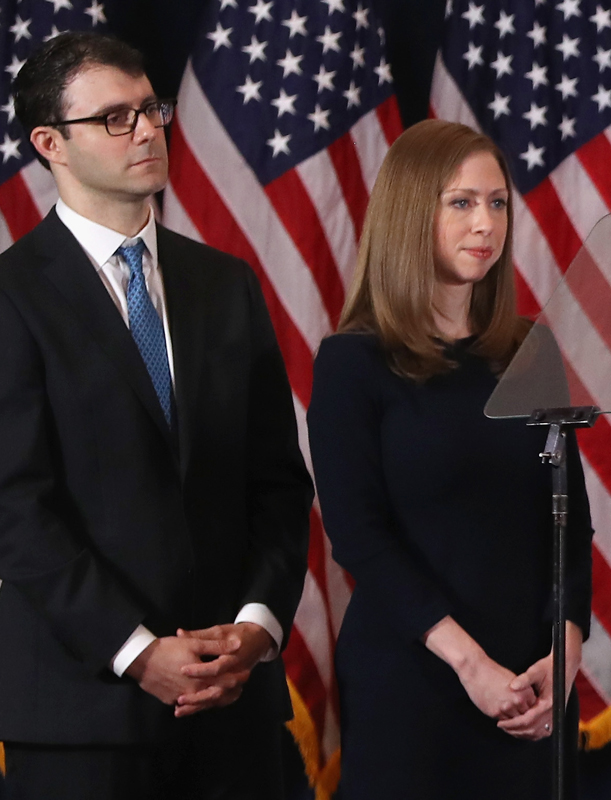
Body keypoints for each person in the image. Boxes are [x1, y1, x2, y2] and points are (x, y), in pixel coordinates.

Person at [0, 32, 312, 799]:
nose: (146, 130)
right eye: (115, 118)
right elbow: (16, 508)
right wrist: (138, 652)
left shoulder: (226, 284)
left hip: (233, 707)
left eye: (150, 109)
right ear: (50, 144)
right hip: (84, 716)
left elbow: (277, 485)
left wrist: (256, 628)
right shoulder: (11, 295)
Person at [306, 119, 593, 799]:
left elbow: (571, 522)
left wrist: (566, 652)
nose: (485, 223)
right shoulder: (353, 364)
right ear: (411, 213)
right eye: (461, 203)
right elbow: (359, 537)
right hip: (417, 680)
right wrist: (470, 665)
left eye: (496, 203)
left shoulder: (530, 350)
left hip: (534, 684)